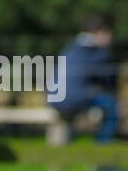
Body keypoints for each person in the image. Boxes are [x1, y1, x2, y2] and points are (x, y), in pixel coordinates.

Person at [51, 14, 118, 142]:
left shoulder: (70, 47)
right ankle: (103, 153)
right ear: (98, 32)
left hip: (54, 99)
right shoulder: (99, 52)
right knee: (111, 106)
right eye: (107, 33)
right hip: (73, 99)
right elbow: (109, 82)